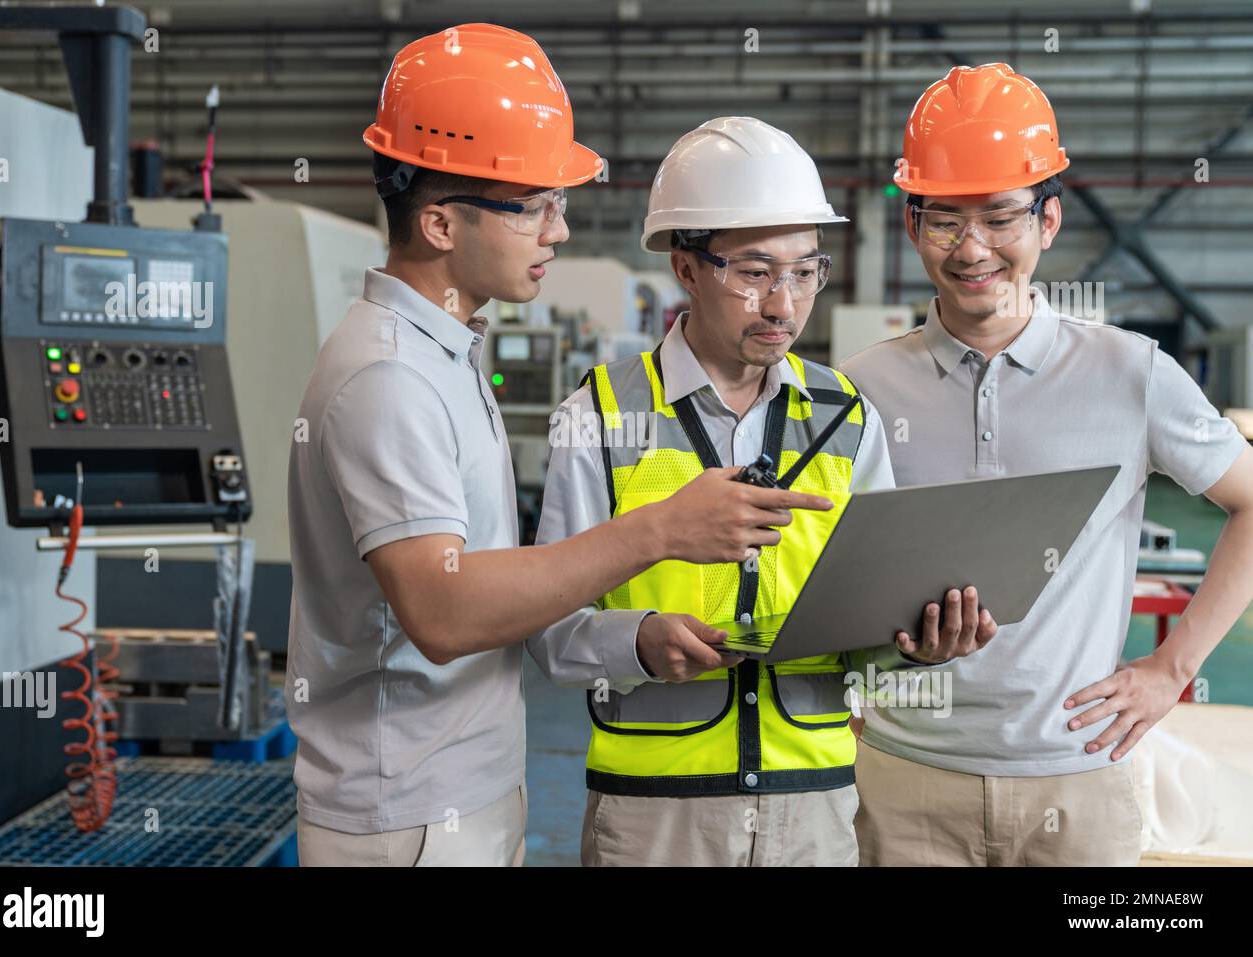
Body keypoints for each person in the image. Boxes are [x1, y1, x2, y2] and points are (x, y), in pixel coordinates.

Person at [286, 29, 832, 868]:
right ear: (438, 221)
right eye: (533, 205)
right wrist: (660, 532)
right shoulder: (388, 379)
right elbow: (441, 611)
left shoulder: (443, 355)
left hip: (452, 789)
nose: (560, 229)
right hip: (408, 808)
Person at [530, 117, 997, 867]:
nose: (783, 305)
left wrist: (922, 647)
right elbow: (546, 624)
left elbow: (870, 627)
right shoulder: (604, 416)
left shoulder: (845, 416)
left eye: (805, 271)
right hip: (655, 818)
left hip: (814, 809)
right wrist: (638, 641)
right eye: (753, 273)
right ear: (686, 267)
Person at [842, 62, 1253, 866]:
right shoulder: (860, 388)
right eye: (943, 221)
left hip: (1080, 777)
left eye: (1000, 217)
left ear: (1049, 220)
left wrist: (1173, 667)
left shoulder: (1131, 375)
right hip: (902, 775)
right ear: (910, 223)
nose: (972, 249)